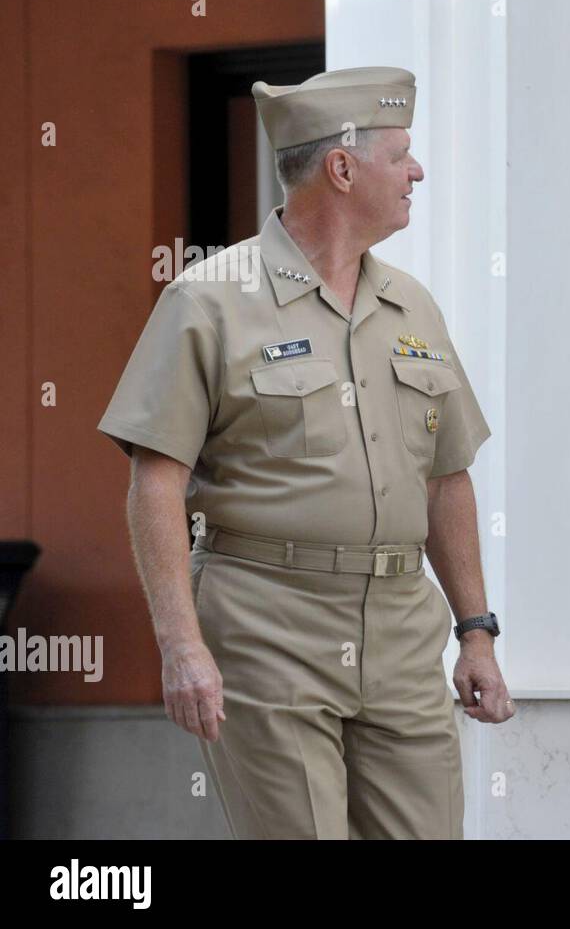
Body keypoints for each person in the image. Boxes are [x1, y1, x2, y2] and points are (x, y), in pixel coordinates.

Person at [98, 66, 512, 839]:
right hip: (266, 627)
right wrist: (182, 646)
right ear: (343, 167)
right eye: (401, 154)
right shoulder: (208, 299)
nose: (417, 170)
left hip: (399, 630)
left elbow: (446, 477)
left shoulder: (411, 304)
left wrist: (477, 632)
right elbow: (154, 482)